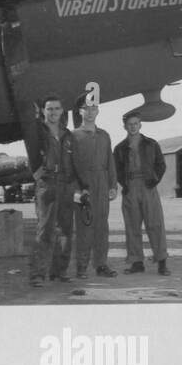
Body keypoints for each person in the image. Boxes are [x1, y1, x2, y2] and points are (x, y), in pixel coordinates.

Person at [113, 112, 170, 275]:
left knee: (155, 224)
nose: (133, 126)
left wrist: (154, 180)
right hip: (130, 188)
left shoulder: (151, 144)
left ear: (140, 125)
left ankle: (162, 262)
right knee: (132, 226)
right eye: (129, 124)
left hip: (148, 187)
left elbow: (161, 164)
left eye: (136, 123)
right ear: (124, 126)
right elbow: (116, 169)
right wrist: (124, 184)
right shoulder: (119, 148)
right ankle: (137, 262)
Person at [28, 95, 76, 286]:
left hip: (66, 183)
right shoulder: (37, 132)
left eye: (57, 108)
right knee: (45, 230)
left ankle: (60, 271)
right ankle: (37, 275)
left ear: (62, 111)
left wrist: (78, 186)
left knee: (66, 230)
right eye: (49, 109)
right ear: (43, 111)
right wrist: (39, 176)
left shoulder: (68, 135)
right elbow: (32, 154)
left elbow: (74, 161)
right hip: (47, 183)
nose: (53, 112)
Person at [71, 102, 117, 279]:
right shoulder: (73, 136)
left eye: (93, 108)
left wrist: (112, 185)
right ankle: (81, 267)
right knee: (85, 226)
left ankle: (101, 264)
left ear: (98, 111)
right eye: (86, 109)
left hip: (102, 183)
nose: (90, 112)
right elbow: (71, 166)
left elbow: (110, 162)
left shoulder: (104, 136)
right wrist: (77, 191)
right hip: (84, 185)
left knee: (102, 226)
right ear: (80, 111)